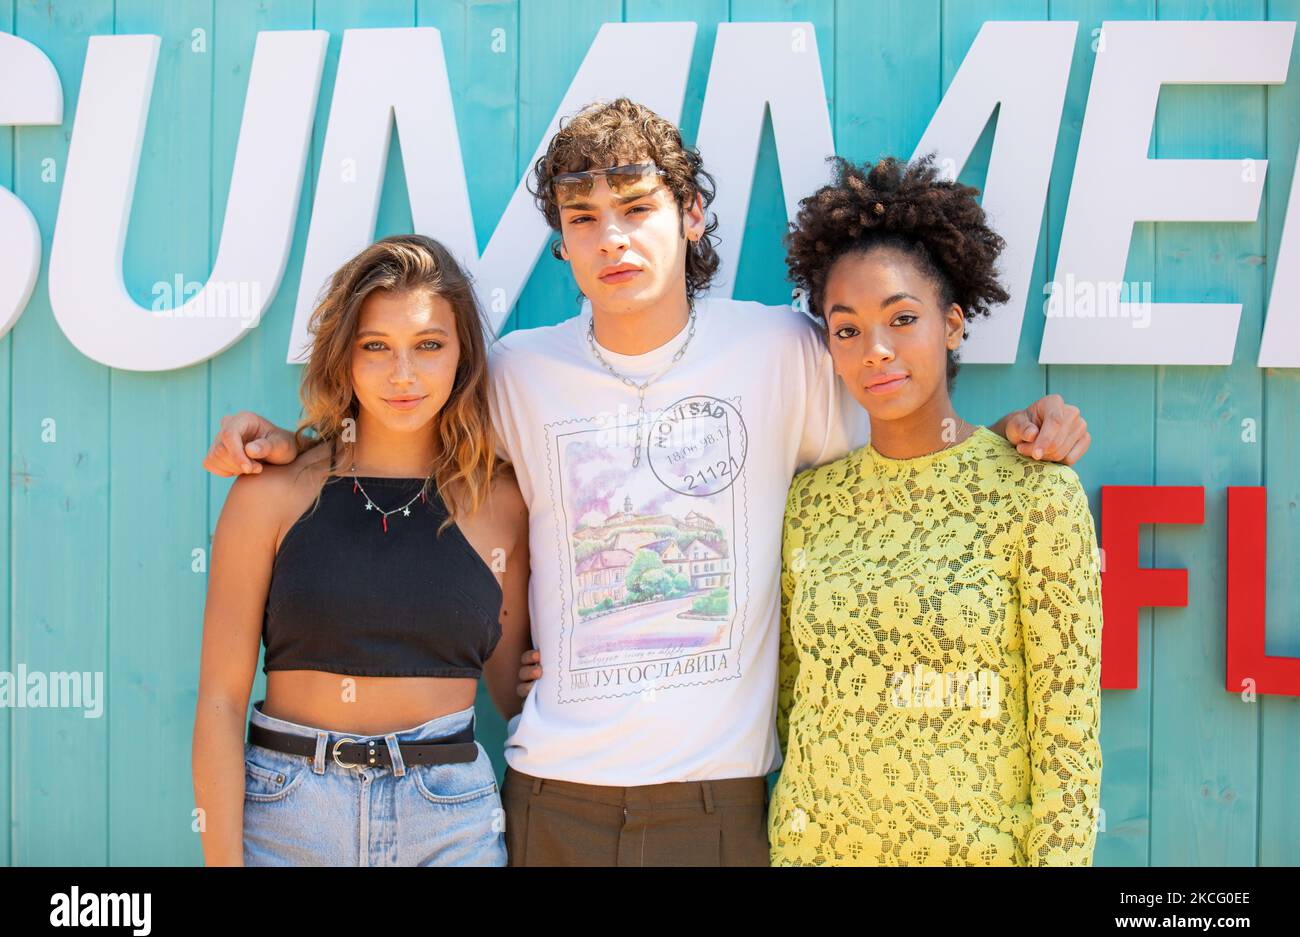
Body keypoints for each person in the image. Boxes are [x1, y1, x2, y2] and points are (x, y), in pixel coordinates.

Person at [201, 98, 1091, 867]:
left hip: (721, 805)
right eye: (582, 217)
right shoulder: (512, 373)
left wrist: (1017, 432)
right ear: (560, 240)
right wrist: (298, 442)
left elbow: (906, 417)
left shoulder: (785, 350)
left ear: (693, 213)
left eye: (635, 206)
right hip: (550, 796)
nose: (612, 237)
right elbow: (403, 424)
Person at [768, 155, 1103, 866]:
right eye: (848, 329)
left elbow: (1067, 741)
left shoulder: (1035, 495)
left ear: (952, 325)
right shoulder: (810, 503)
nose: (877, 351)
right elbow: (794, 703)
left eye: (903, 318)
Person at [191, 235, 530, 866]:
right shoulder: (270, 495)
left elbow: (514, 694)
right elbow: (219, 700)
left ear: (463, 356)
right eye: (376, 347)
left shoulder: (502, 502)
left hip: (451, 819)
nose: (404, 374)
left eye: (429, 345)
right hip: (288, 811)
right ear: (343, 356)